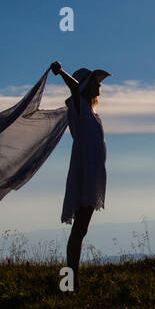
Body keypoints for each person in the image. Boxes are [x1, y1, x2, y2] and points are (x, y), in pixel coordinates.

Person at [50, 61, 110, 288]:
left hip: (92, 172)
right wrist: (61, 72)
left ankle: (72, 278)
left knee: (81, 229)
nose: (100, 87)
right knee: (78, 230)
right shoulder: (79, 106)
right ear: (86, 86)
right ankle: (70, 279)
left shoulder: (91, 111)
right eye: (96, 83)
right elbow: (75, 88)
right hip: (84, 171)